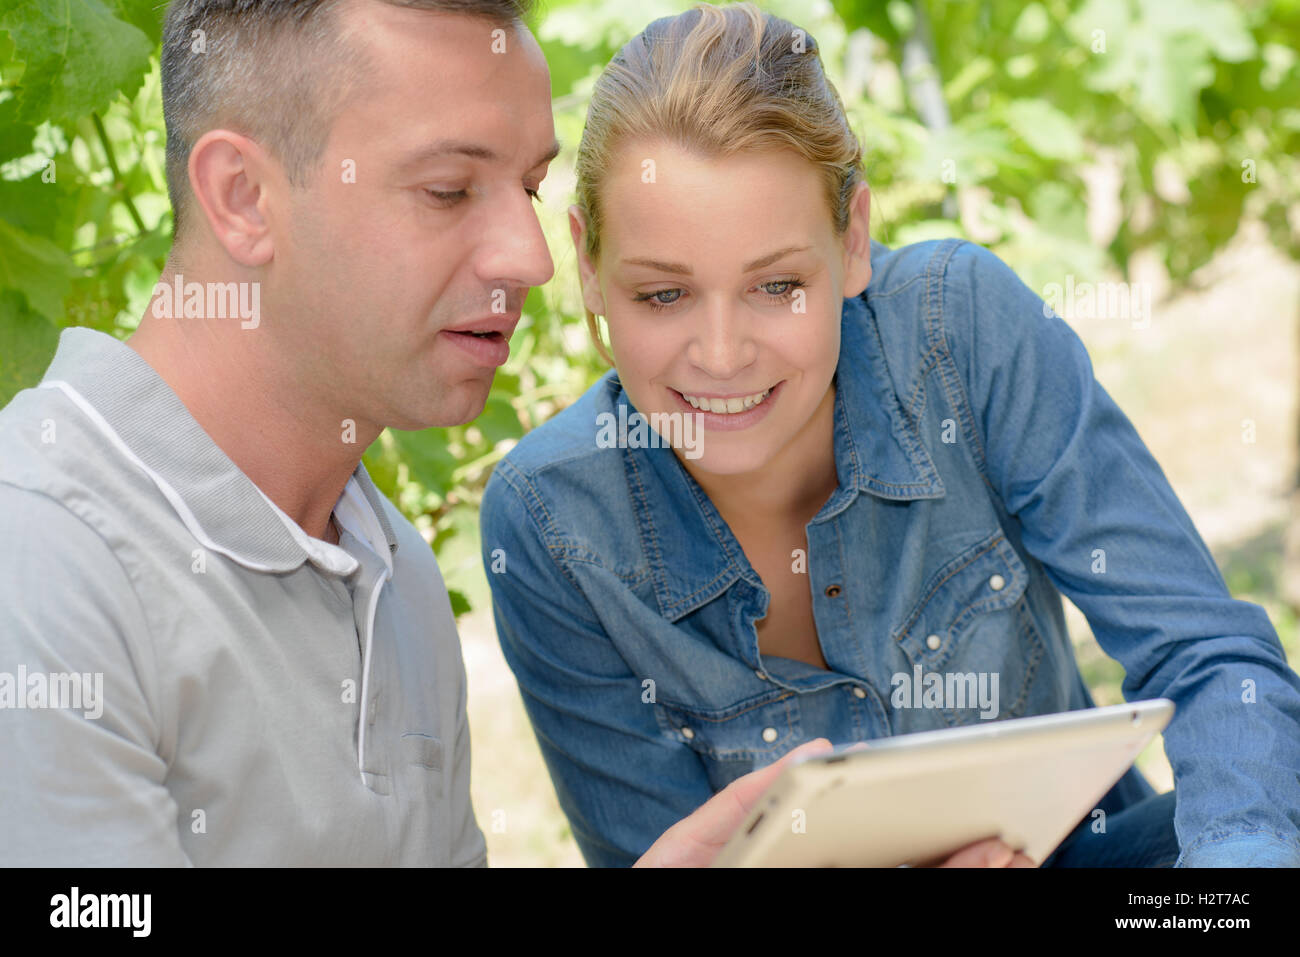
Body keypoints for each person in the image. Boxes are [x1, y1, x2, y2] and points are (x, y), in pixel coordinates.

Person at [0, 0, 871, 868]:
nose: (531, 258)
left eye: (528, 187)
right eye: (448, 190)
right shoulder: (41, 562)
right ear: (244, 197)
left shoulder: (394, 576)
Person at [480, 1, 1300, 868]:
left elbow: (1209, 656)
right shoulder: (551, 527)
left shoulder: (960, 331)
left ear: (854, 239)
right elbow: (665, 855)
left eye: (779, 286)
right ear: (589, 268)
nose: (720, 356)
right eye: (663, 295)